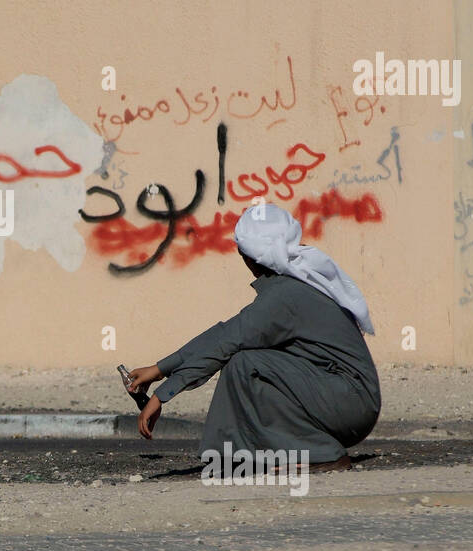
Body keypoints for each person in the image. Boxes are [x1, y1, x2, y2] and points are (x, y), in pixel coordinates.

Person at [126, 202, 380, 472]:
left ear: (247, 257)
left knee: (246, 364)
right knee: (249, 360)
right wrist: (159, 369)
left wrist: (161, 395)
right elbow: (225, 333)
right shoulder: (297, 279)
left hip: (351, 404)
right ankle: (287, 449)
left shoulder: (285, 296)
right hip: (347, 400)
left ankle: (321, 454)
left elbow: (225, 342)